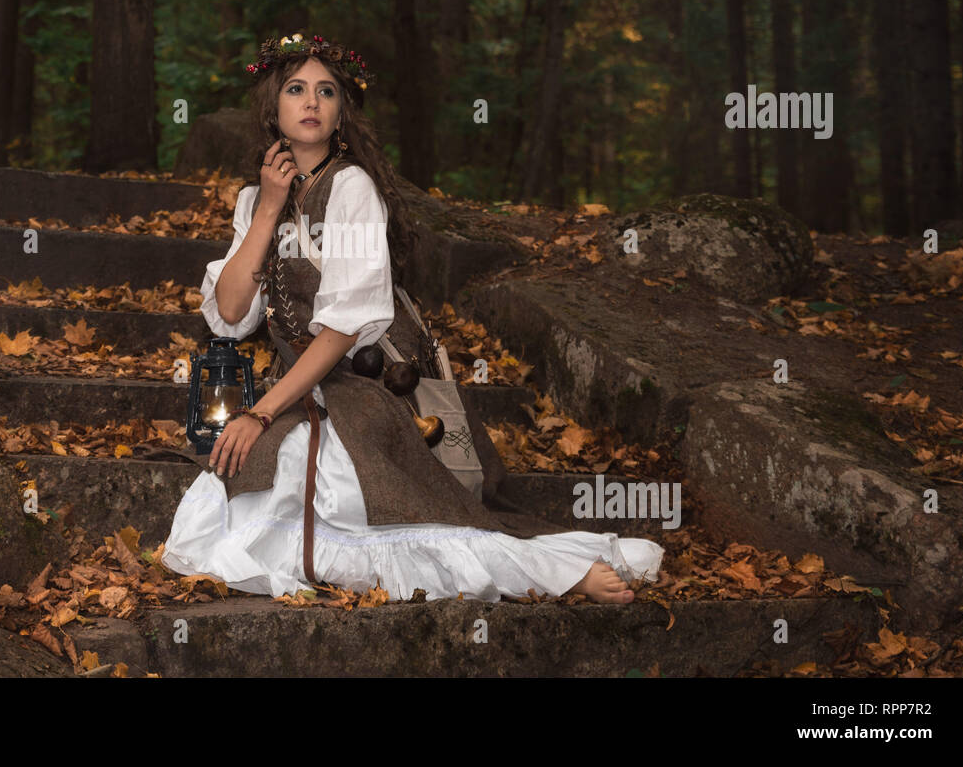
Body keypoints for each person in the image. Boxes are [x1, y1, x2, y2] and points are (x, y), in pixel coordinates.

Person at [163, 32, 663, 604]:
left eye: (326, 92)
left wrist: (259, 410)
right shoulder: (256, 200)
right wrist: (270, 208)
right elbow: (230, 311)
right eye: (296, 89)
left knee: (336, 485)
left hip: (371, 385)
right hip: (300, 388)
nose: (311, 102)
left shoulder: (352, 189)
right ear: (272, 108)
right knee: (243, 483)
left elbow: (344, 329)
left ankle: (557, 570)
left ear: (341, 114)